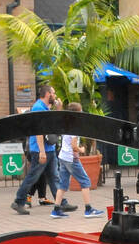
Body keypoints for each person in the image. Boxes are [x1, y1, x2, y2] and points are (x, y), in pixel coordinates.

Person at [12, 87, 63, 215]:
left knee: (54, 177)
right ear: (47, 94)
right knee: (32, 177)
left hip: (49, 149)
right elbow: (39, 132)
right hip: (40, 150)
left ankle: (61, 202)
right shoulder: (38, 108)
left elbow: (55, 125)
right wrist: (42, 152)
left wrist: (58, 109)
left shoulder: (45, 108)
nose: (55, 95)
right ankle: (19, 201)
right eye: (53, 92)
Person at [51, 103, 103, 218]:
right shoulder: (75, 126)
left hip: (63, 157)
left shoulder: (66, 124)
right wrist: (81, 149)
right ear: (77, 113)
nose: (82, 113)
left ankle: (56, 210)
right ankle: (88, 209)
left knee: (63, 184)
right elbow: (74, 146)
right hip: (71, 158)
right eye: (81, 111)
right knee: (85, 181)